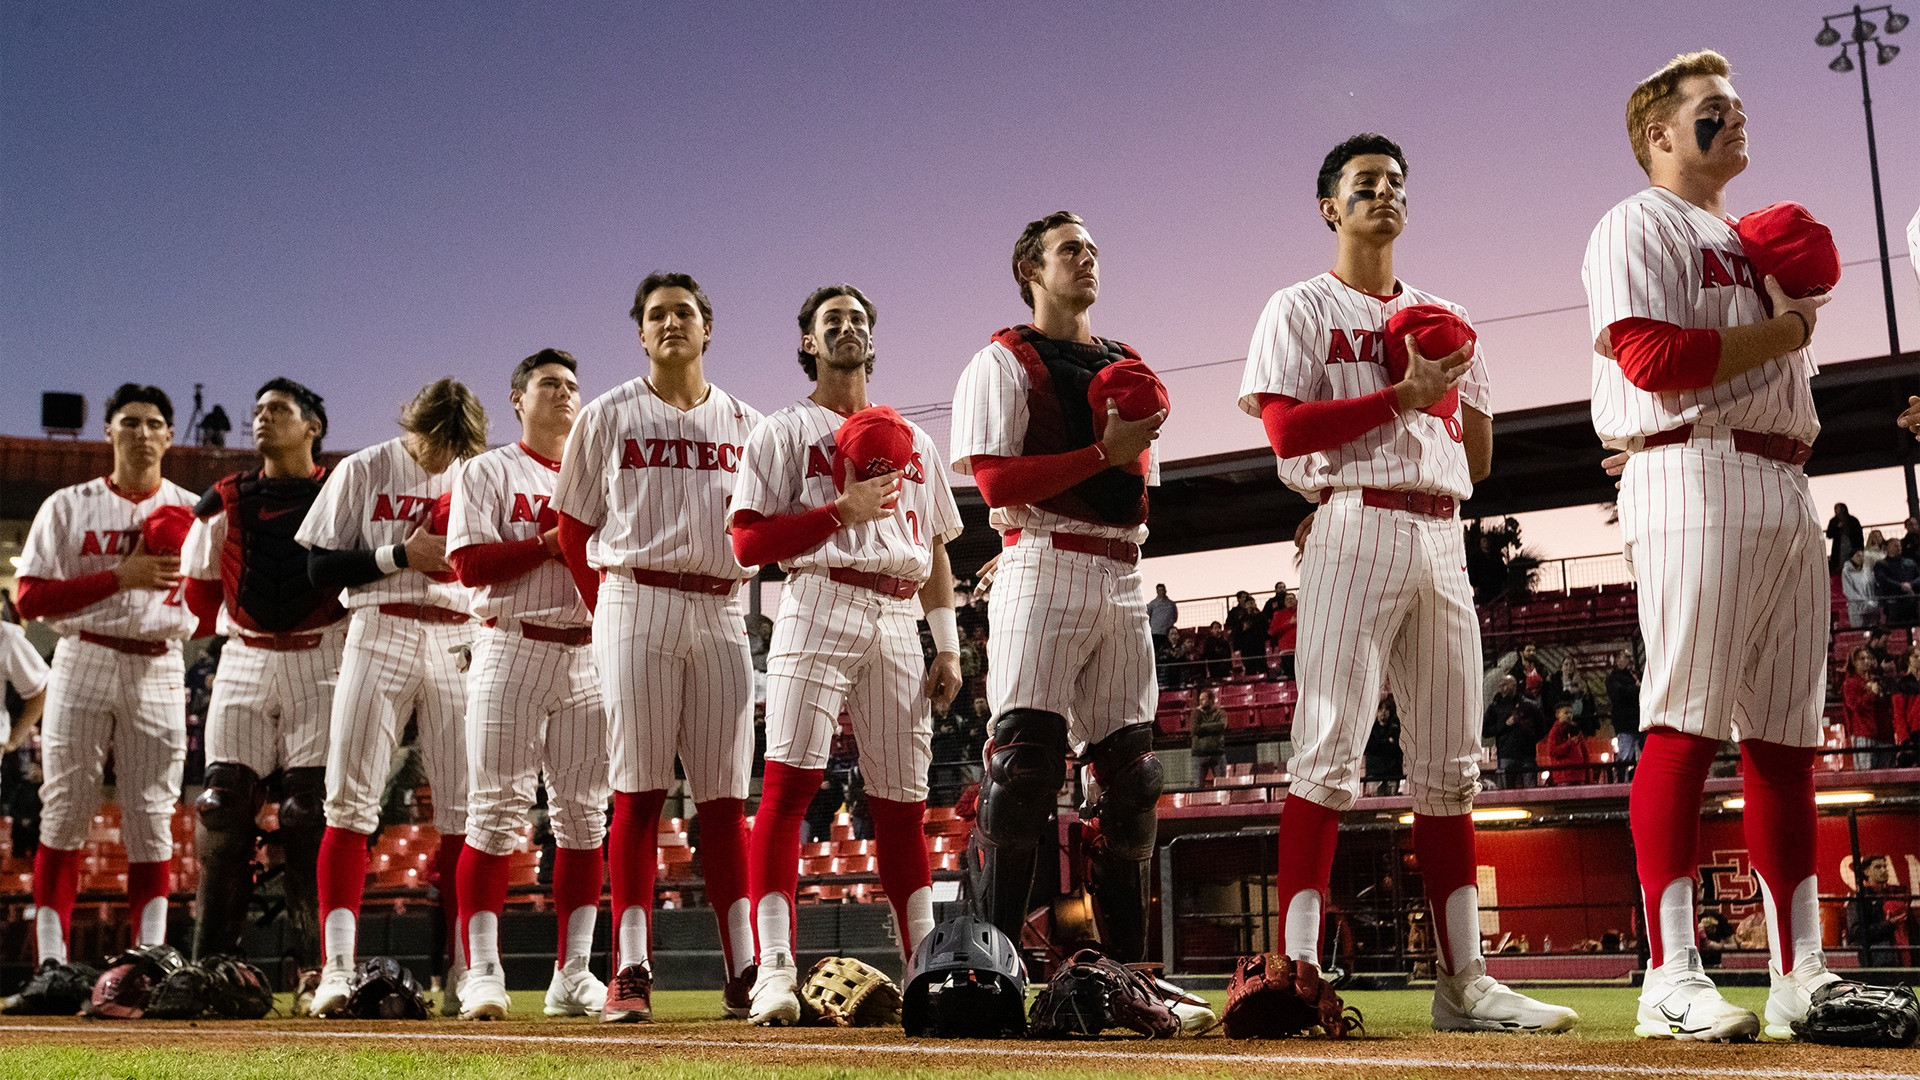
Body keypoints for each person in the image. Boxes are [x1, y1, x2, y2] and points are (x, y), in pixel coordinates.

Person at [1239, 133, 1574, 1032]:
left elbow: (1483, 451)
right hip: (1351, 519)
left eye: (1394, 184)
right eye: (1364, 184)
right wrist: (1398, 395)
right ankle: (1296, 973)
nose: (1383, 194)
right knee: (1328, 749)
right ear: (1329, 208)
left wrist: (1439, 389)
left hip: (1440, 531)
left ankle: (1465, 983)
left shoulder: (1447, 313)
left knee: (1450, 765)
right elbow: (1284, 431)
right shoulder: (1299, 306)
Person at [1584, 50, 1846, 1042]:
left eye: (1737, 106)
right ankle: (1671, 976)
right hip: (1691, 467)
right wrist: (1786, 333)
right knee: (1685, 719)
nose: (1734, 119)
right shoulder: (1634, 221)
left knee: (1786, 745)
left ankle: (1799, 976)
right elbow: (1654, 362)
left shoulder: (1749, 240)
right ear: (1658, 134)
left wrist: (1785, 315)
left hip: (1785, 479)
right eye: (1710, 111)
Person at [732, 283, 963, 1025]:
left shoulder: (917, 441)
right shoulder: (780, 430)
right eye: (832, 321)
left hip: (899, 615)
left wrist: (948, 644)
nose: (848, 329)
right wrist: (838, 511)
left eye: (859, 319)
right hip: (818, 597)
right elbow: (746, 544)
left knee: (903, 804)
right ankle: (773, 968)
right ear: (807, 342)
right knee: (788, 790)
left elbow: (933, 550)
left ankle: (924, 967)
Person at [949, 210, 1173, 969]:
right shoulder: (1002, 362)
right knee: (1022, 769)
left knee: (1133, 777)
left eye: (1093, 248)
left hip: (1122, 572)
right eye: (1069, 248)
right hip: (1042, 560)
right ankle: (994, 967)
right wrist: (1099, 451)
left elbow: (1134, 481)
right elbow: (992, 480)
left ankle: (1132, 973)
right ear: (1030, 271)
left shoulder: (1126, 360)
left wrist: (1115, 457)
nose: (1088, 258)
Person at [550, 273, 762, 1023]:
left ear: (708, 328)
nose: (671, 323)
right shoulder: (605, 414)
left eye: (685, 312)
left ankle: (746, 967)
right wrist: (603, 604)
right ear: (640, 334)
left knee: (723, 801)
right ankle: (631, 968)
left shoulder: (749, 421)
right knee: (636, 792)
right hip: (634, 595)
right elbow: (573, 526)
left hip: (720, 606)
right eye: (656, 315)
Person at [297, 378, 487, 1017]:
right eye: (435, 442)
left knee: (466, 811)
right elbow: (319, 569)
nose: (442, 458)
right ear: (414, 424)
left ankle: (467, 970)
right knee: (349, 801)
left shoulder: (478, 471)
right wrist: (399, 553)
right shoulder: (364, 468)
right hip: (378, 628)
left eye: (455, 446)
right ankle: (337, 969)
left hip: (458, 635)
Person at [9, 384, 199, 1005]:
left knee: (152, 818)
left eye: (153, 423)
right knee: (63, 810)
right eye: (129, 422)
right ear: (110, 434)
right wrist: (121, 575)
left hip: (160, 662)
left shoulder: (197, 511)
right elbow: (29, 600)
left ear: (170, 437)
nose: (142, 433)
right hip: (85, 653)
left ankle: (150, 964)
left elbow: (218, 595)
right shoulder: (68, 505)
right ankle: (53, 966)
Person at [444, 349, 610, 1020]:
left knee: (583, 818)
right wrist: (548, 545)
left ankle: (573, 974)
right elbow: (468, 565)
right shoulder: (487, 470)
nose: (565, 394)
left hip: (587, 653)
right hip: (510, 642)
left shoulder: (599, 471)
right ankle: (481, 972)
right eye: (549, 384)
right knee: (494, 815)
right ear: (517, 398)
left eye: (573, 384)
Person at [177, 378, 341, 988]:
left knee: (308, 813)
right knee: (220, 805)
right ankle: (208, 963)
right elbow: (198, 586)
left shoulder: (339, 492)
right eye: (258, 410)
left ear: (313, 426)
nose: (262, 418)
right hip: (245, 656)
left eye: (279, 409)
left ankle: (315, 966)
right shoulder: (225, 500)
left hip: (319, 657)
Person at [1483, 676, 1545, 790]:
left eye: (1505, 685)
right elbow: (1485, 731)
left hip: (1527, 755)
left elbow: (1541, 727)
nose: (1502, 688)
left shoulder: (1529, 705)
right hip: (1507, 755)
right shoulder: (1495, 707)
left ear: (1514, 685)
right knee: (1506, 792)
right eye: (1500, 686)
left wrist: (1531, 738)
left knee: (1531, 791)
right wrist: (1505, 725)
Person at [1847, 855, 1908, 968]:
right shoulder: (1859, 899)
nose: (1883, 870)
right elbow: (1856, 931)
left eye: (1885, 867)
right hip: (1876, 960)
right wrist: (1888, 925)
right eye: (1878, 867)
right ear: (1866, 871)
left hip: (1899, 957)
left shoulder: (1894, 895)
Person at [1840, 646, 1894, 771]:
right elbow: (1855, 706)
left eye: (1868, 658)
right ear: (1854, 662)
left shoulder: (1876, 680)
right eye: (1862, 658)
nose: (1866, 661)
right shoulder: (1850, 683)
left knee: (1886, 776)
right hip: (1864, 733)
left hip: (1884, 734)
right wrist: (1870, 694)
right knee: (1866, 774)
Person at [1607, 649, 1644, 777]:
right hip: (1625, 722)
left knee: (1641, 753)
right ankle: (1623, 780)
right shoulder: (1614, 678)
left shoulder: (1634, 675)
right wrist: (1636, 689)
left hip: (1637, 721)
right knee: (1626, 755)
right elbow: (1619, 694)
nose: (1628, 659)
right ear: (1617, 660)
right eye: (1625, 657)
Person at [1542, 656, 1600, 736]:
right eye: (1566, 664)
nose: (1568, 667)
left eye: (1571, 664)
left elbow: (1589, 701)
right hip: (1562, 722)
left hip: (1581, 721)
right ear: (1561, 667)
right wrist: (1569, 692)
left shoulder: (1581, 681)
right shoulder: (1555, 682)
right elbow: (1553, 701)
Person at [1363, 695, 1403, 796]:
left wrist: (1380, 745)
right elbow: (1368, 747)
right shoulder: (1369, 729)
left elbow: (1398, 748)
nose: (1383, 712)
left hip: (1392, 774)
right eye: (1380, 709)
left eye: (1386, 709)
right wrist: (1387, 742)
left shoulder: (1395, 728)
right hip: (1375, 774)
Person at [1874, 537, 1919, 624]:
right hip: (1893, 602)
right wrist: (1901, 585)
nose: (1898, 548)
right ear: (1887, 548)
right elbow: (1883, 580)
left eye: (1899, 546)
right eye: (1895, 546)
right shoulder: (1881, 565)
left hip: (1910, 600)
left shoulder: (1910, 562)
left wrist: (1911, 585)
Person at [1543, 704, 1592, 786]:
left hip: (1579, 775)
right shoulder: (1554, 732)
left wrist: (1588, 776)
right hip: (1564, 776)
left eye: (1571, 713)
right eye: (1566, 713)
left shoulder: (1577, 731)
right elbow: (1553, 752)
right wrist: (1569, 743)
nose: (1569, 715)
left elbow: (1585, 753)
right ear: (1557, 715)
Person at [1188, 688, 1227, 786]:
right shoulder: (1196, 713)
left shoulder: (1220, 712)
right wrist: (1213, 726)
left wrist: (1203, 727)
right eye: (1200, 699)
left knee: (1222, 785)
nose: (1200, 701)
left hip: (1217, 753)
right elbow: (1195, 729)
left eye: (1203, 699)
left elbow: (1222, 726)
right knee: (1197, 786)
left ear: (1211, 700)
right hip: (1199, 754)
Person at [1226, 591, 1268, 676]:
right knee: (1250, 669)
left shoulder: (1261, 615)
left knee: (1262, 667)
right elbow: (1237, 633)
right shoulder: (1241, 619)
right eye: (1248, 603)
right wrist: (1243, 629)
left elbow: (1265, 627)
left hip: (1259, 645)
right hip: (1247, 648)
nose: (1250, 605)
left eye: (1252, 603)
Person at [1892, 650, 1920, 767]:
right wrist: (1905, 739)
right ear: (1907, 661)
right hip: (1915, 733)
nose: (1919, 658)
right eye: (1916, 656)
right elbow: (1899, 714)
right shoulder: (1902, 683)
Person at [1841, 548, 1881, 628]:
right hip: (1857, 608)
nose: (1861, 558)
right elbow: (1849, 591)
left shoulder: (1867, 570)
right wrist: (1862, 603)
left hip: (1871, 607)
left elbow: (1872, 586)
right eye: (1858, 556)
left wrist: (1872, 602)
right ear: (1852, 557)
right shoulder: (1846, 571)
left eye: (1862, 556)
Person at [1268, 588, 1299, 679]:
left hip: (1301, 650)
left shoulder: (1302, 612)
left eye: (1292, 599)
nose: (1290, 601)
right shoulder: (1278, 614)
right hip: (1287, 651)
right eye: (1287, 599)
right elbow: (1272, 631)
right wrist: (1289, 623)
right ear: (1284, 602)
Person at [1825, 503, 1864, 575]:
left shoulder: (1853, 520)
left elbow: (1859, 535)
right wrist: (1837, 528)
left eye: (1838, 509)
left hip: (1852, 546)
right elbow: (1829, 534)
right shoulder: (1834, 521)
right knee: (1840, 566)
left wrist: (1860, 548)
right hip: (1839, 548)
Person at [1147, 583, 1177, 662]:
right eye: (1159, 590)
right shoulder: (1152, 604)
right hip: (1156, 633)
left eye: (1162, 590)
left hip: (1167, 634)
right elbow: (1148, 616)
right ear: (1157, 591)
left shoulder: (1171, 604)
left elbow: (1175, 616)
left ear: (1165, 591)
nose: (1161, 592)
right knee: (1156, 654)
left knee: (1168, 653)